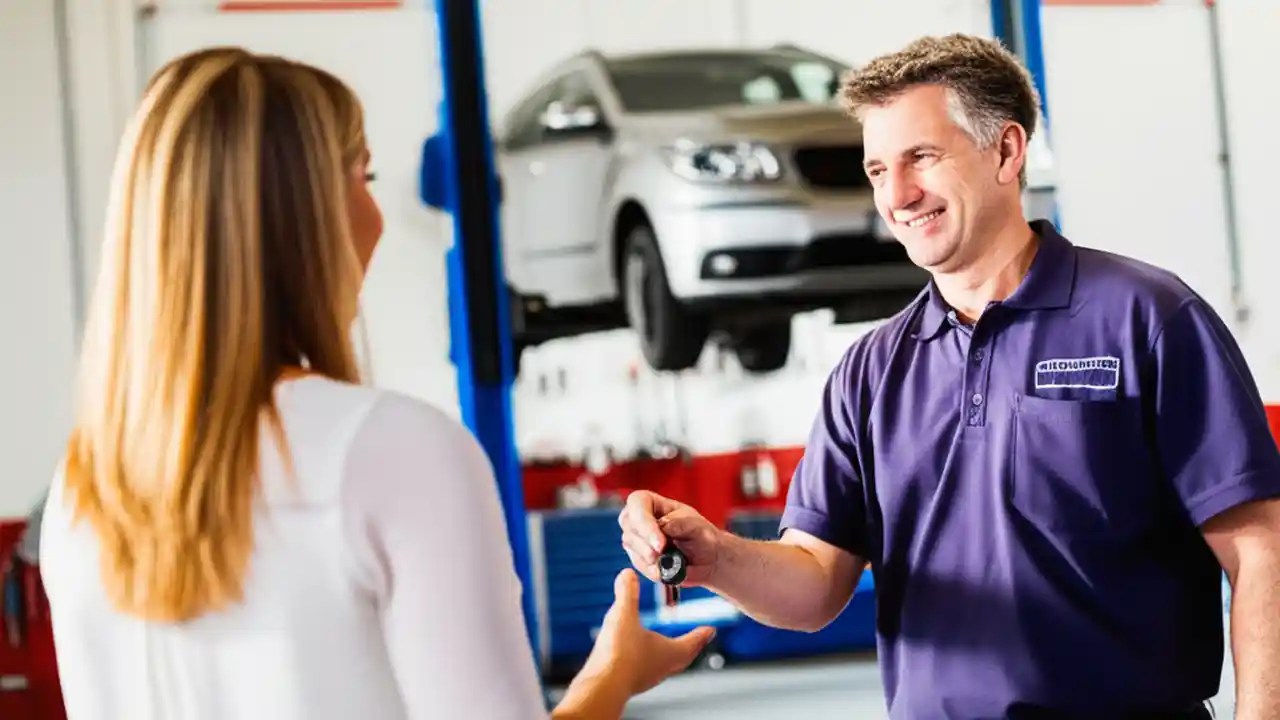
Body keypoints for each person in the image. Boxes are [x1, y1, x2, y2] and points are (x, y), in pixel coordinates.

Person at [38, 47, 714, 720]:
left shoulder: (84, 487)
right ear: (303, 219)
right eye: (363, 176)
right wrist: (612, 678)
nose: (377, 216)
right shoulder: (395, 451)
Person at [620, 33, 1280, 720]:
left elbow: (1263, 555)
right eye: (877, 170)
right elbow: (815, 585)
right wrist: (716, 556)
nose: (898, 195)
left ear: (1006, 150)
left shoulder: (1147, 318)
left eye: (921, 158)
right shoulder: (871, 372)